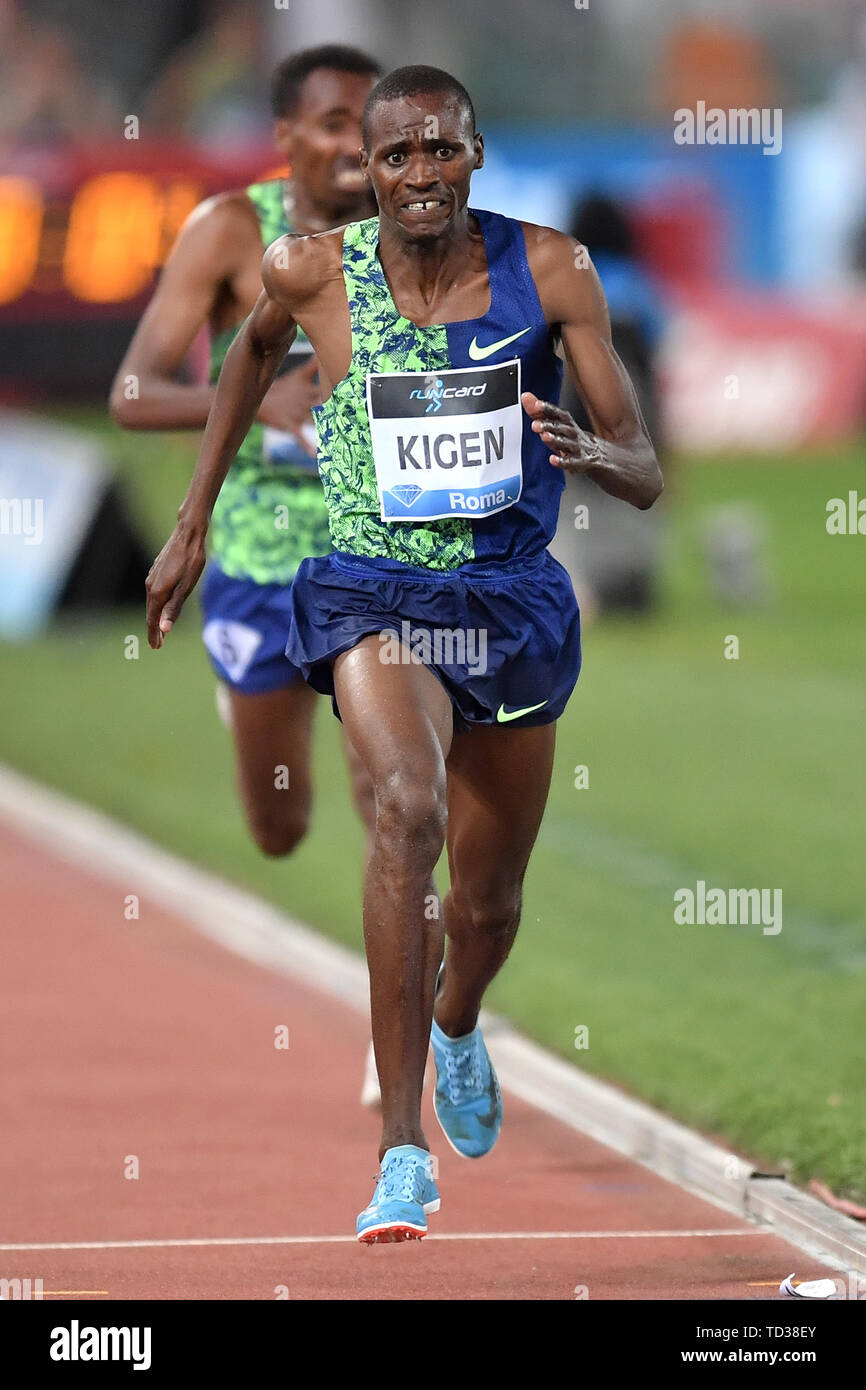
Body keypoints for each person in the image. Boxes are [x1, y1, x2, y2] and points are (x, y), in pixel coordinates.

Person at [144, 64, 663, 1244]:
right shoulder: (309, 268)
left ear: (474, 154)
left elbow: (642, 469)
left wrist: (586, 448)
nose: (418, 176)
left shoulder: (552, 271)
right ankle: (399, 1152)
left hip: (510, 604)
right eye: (395, 158)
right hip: (371, 589)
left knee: (484, 904)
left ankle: (458, 1022)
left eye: (440, 152)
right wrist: (189, 526)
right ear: (363, 171)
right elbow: (242, 360)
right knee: (403, 812)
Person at [112, 45, 381, 862]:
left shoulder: (405, 238)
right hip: (258, 556)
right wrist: (258, 402)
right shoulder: (232, 231)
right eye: (333, 125)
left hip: (376, 554)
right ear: (287, 134)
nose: (355, 146)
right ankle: (253, 700)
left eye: (369, 127)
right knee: (280, 827)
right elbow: (131, 395)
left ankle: (425, 983)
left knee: (396, 796)